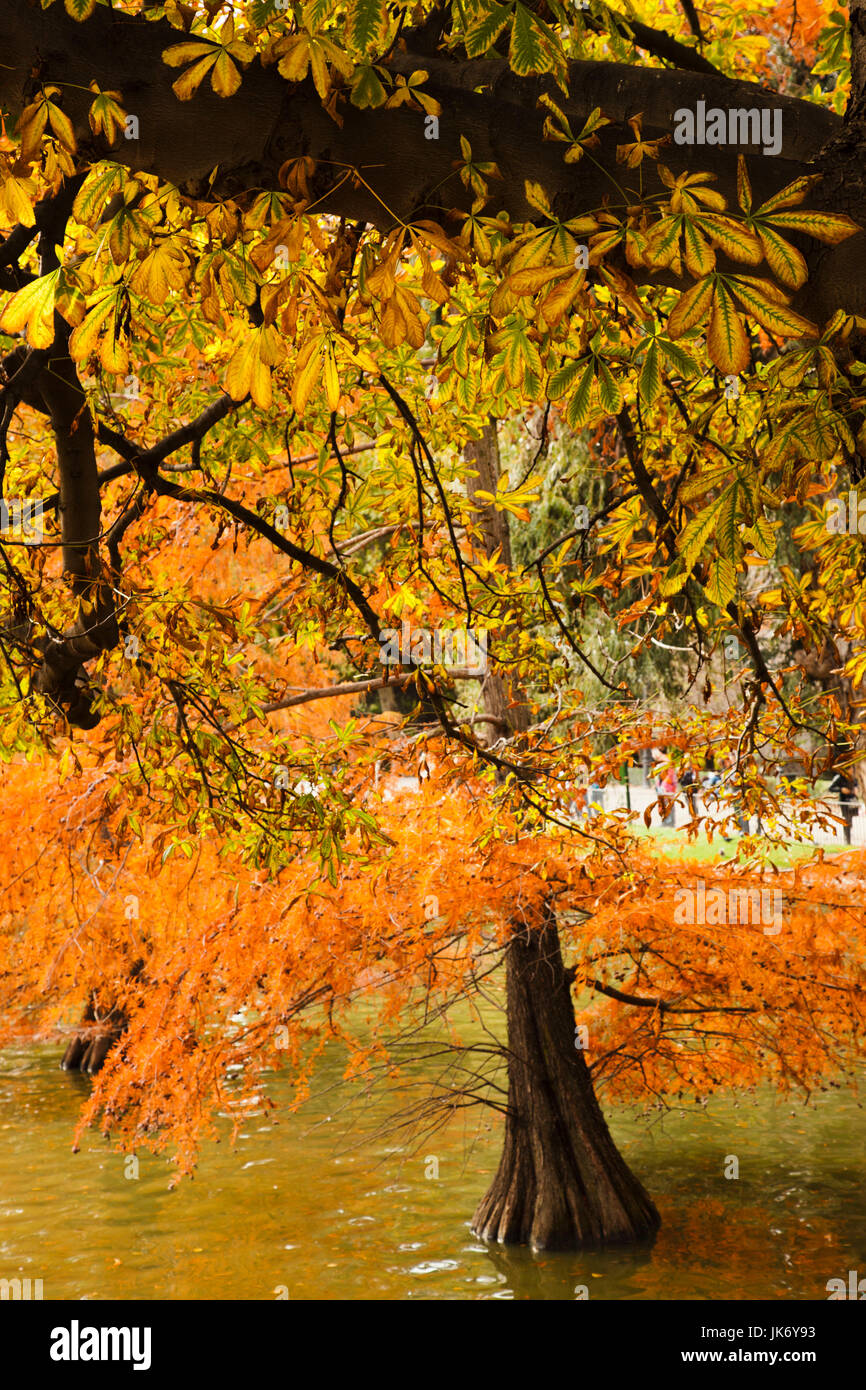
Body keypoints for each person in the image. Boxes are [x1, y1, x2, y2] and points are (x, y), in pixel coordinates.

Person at [828, 769, 859, 845]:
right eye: (850, 769)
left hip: (853, 801)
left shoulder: (853, 778)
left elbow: (856, 785)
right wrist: (841, 789)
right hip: (844, 802)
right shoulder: (839, 778)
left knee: (850, 820)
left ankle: (848, 837)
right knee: (847, 820)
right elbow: (831, 788)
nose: (852, 771)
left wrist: (856, 789)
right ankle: (847, 840)